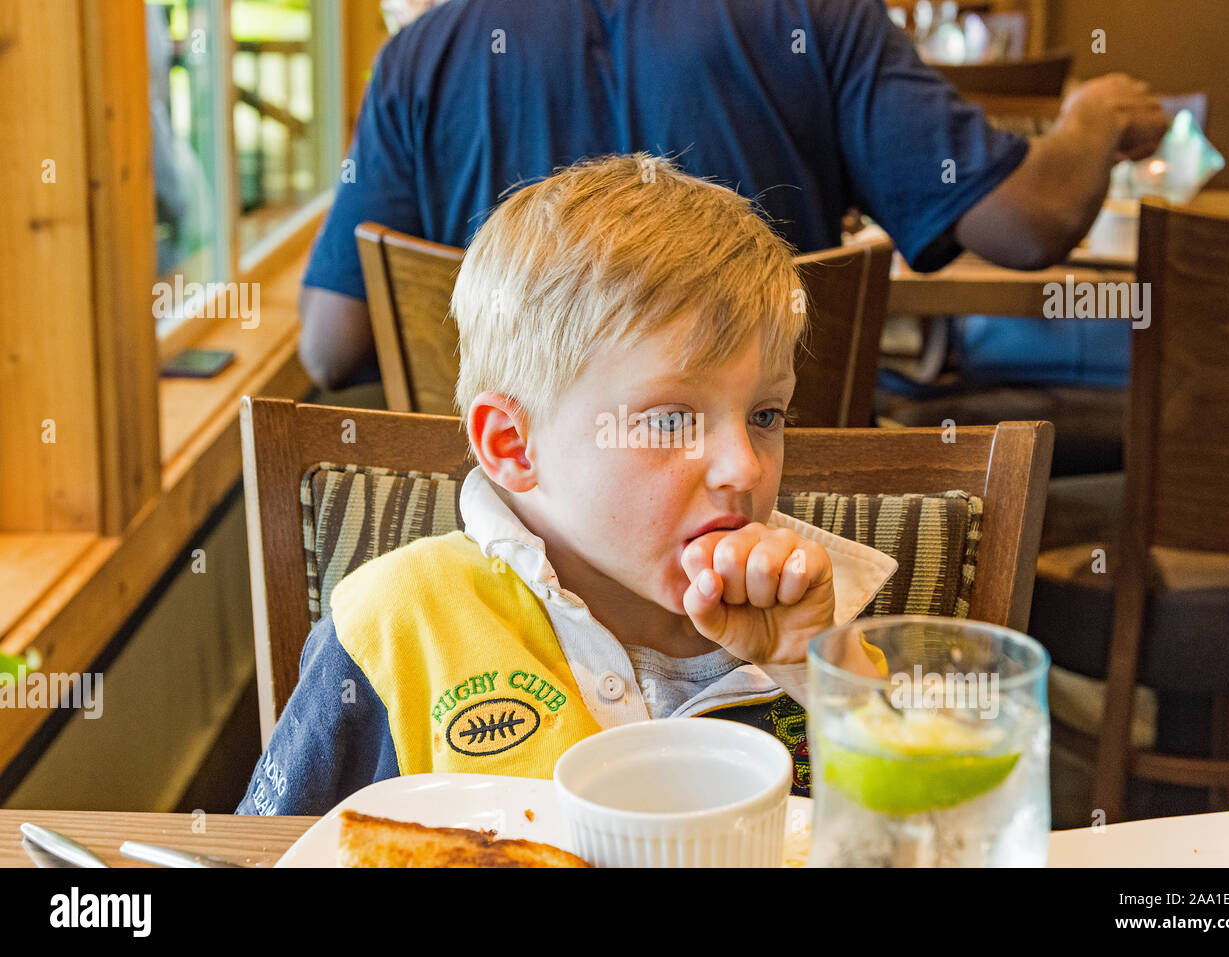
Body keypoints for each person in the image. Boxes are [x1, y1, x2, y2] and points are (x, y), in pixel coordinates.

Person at [237, 155, 899, 815]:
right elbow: (266, 853)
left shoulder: (811, 632)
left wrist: (819, 673)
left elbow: (939, 835)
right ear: (512, 444)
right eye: (671, 419)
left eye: (765, 415)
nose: (745, 468)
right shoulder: (398, 625)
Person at [298, 0, 1169, 390]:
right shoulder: (818, 20)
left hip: (509, 560)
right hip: (772, 542)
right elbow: (1027, 222)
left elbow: (330, 345)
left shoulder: (424, 55)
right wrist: (1090, 120)